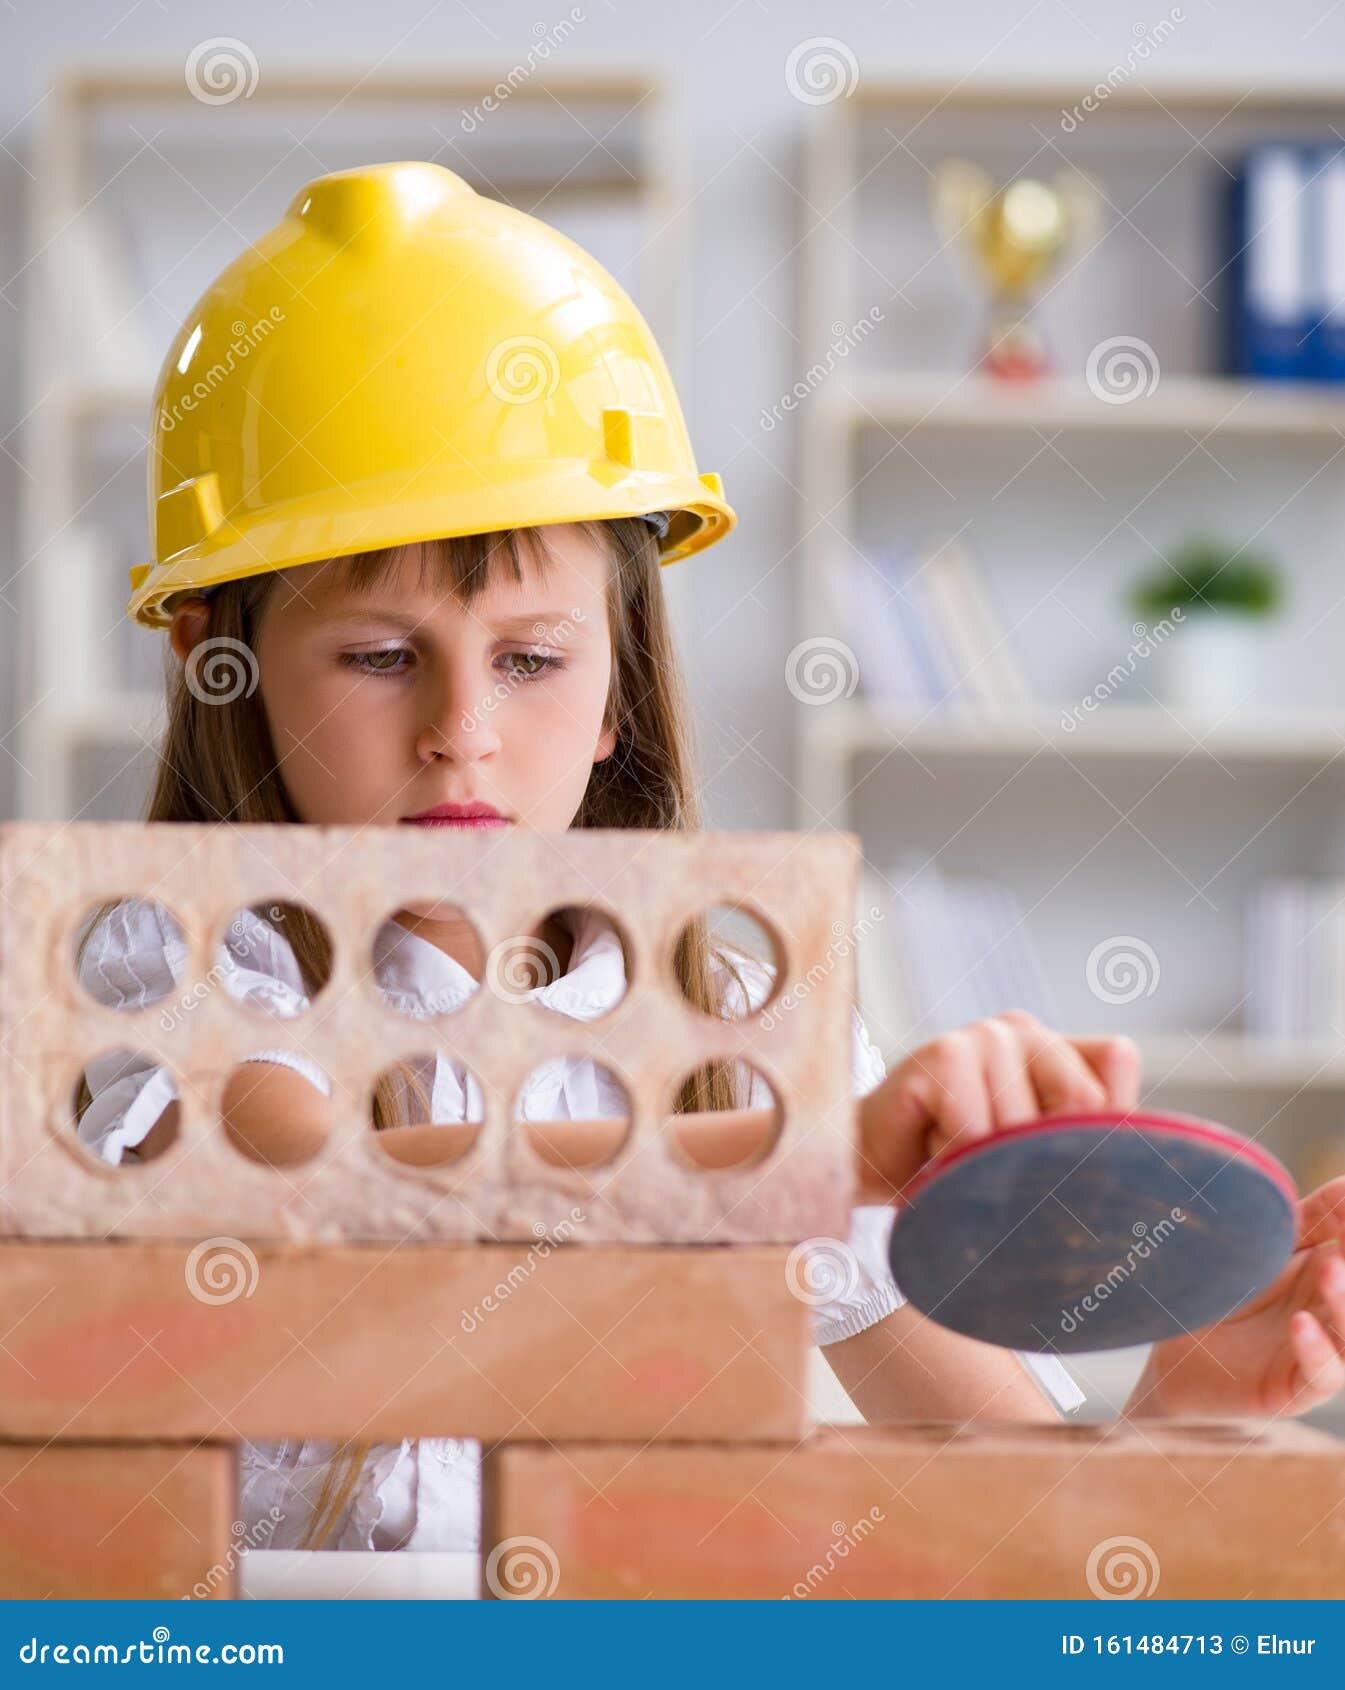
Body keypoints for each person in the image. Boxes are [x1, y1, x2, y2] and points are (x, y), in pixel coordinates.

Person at [77, 162, 1345, 1553]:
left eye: (532, 660)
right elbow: (331, 1172)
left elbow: (1047, 1529)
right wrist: (803, 1154)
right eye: (380, 657)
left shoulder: (746, 1034)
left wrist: (1185, 1406)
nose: (464, 735)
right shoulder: (165, 970)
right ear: (220, 665)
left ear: (618, 684)